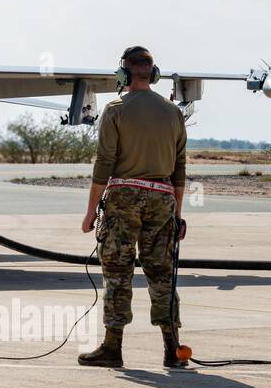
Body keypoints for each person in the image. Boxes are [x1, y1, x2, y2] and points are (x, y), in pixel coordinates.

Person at [78, 46, 189, 369]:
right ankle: (172, 348)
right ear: (153, 74)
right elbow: (179, 168)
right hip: (162, 199)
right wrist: (177, 214)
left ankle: (113, 348)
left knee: (117, 273)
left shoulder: (115, 110)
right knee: (162, 274)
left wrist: (89, 212)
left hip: (124, 198)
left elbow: (105, 164)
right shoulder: (173, 113)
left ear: (123, 74)